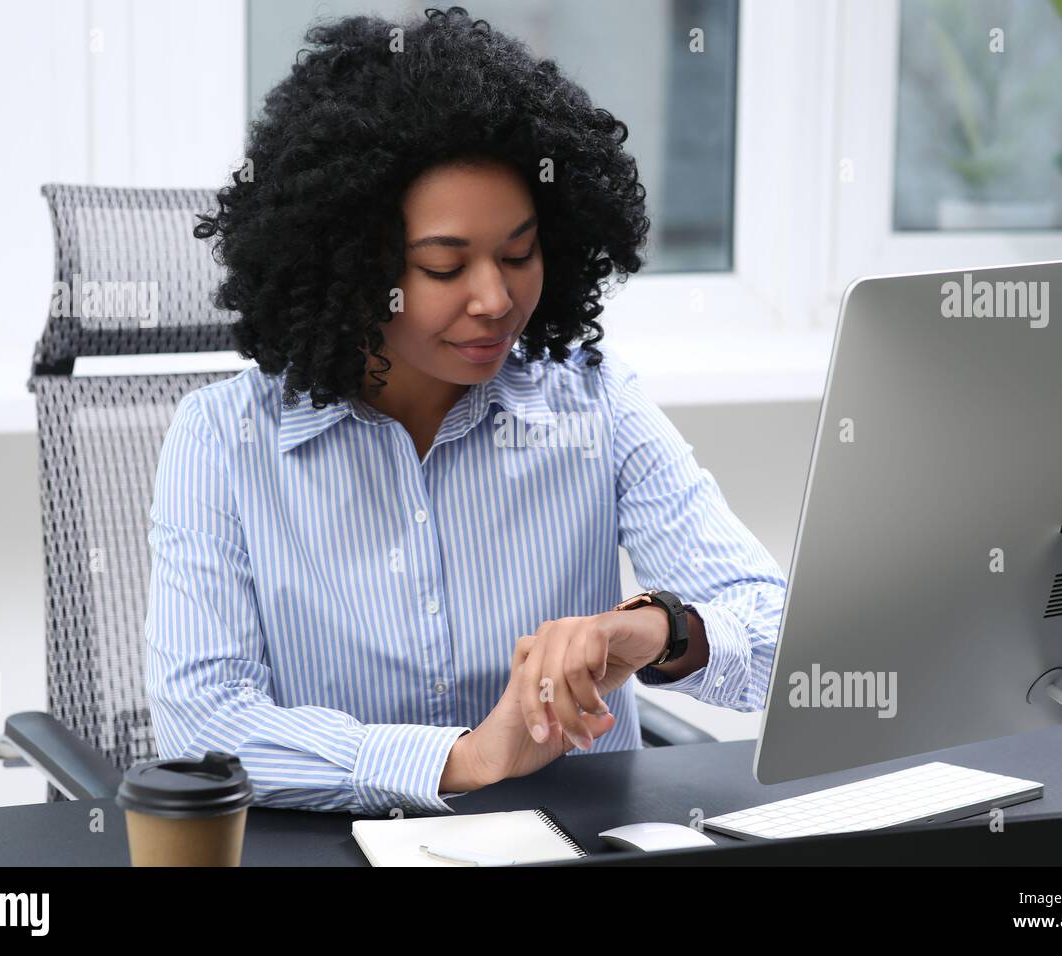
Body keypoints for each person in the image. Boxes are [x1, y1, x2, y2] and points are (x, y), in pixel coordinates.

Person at [145, 5, 786, 817]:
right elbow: (204, 724)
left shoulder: (593, 401)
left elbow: (781, 637)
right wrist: (464, 758)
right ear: (349, 264)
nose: (496, 299)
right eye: (445, 266)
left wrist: (660, 629)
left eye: (519, 254)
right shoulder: (222, 443)